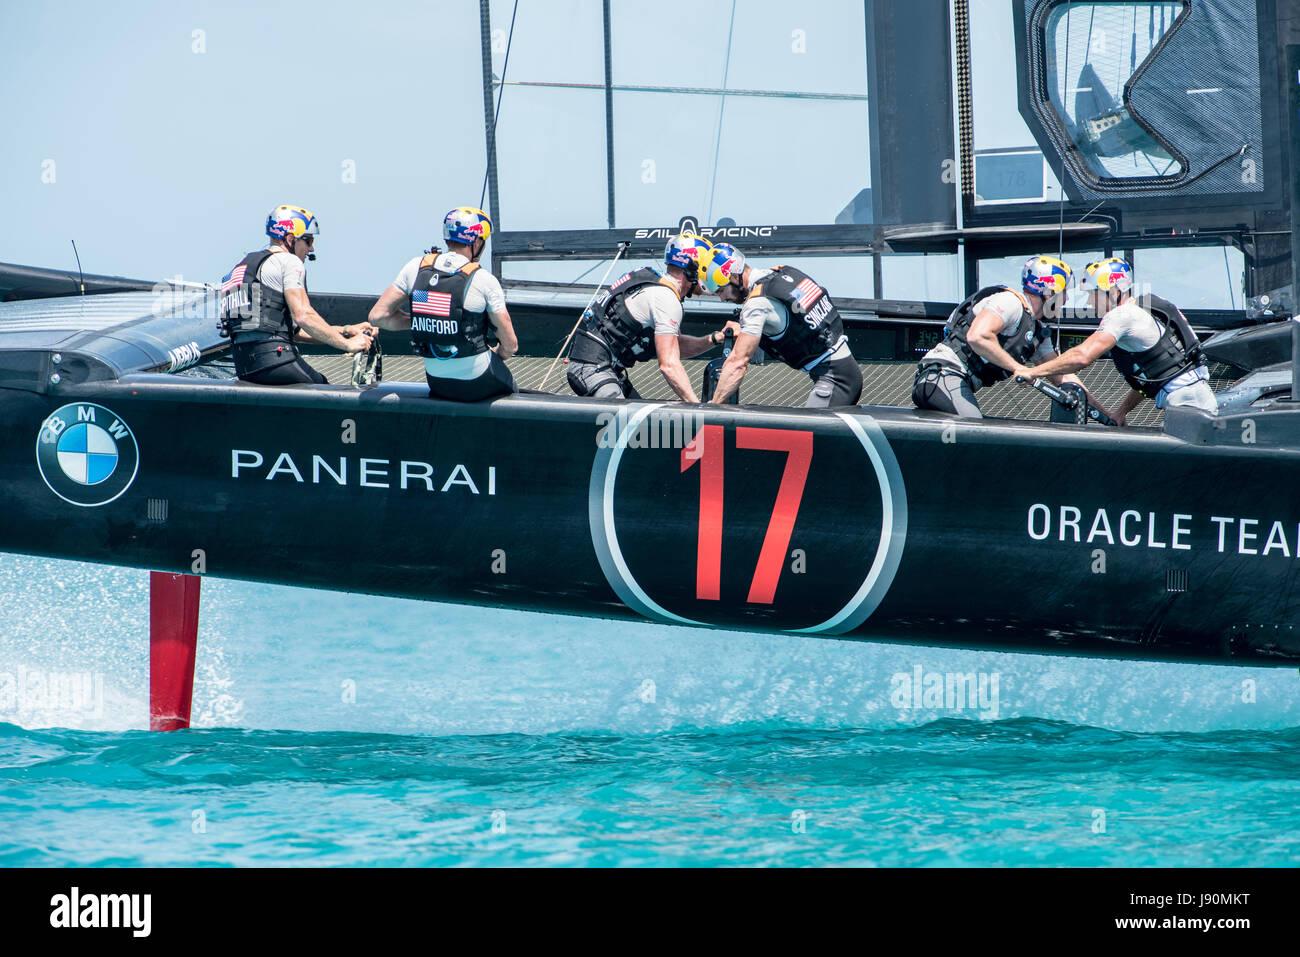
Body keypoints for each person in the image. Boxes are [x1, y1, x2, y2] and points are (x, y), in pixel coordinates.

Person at [1011, 257, 1216, 423]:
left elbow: (1081, 356)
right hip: (1194, 400)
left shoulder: (1122, 315)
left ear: (1115, 292)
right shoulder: (1142, 309)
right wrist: (1121, 412)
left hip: (1187, 404)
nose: (1090, 302)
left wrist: (1032, 372)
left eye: (1094, 294)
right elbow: (1152, 378)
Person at [368, 206, 519, 401]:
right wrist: (498, 353)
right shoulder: (483, 279)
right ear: (476, 240)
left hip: (437, 381)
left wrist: (420, 319)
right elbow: (510, 344)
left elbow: (377, 316)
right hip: (477, 380)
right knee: (513, 393)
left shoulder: (416, 267)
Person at [912, 255, 1084, 417]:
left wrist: (1106, 415)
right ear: (1048, 292)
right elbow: (978, 336)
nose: (1067, 299)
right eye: (1064, 293)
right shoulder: (1011, 302)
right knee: (974, 431)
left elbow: (1062, 375)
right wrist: (1018, 367)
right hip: (941, 376)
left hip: (953, 383)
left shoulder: (1037, 333)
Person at [566, 233, 731, 402]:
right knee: (624, 422)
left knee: (640, 423)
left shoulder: (656, 285)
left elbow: (676, 346)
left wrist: (714, 338)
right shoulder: (666, 299)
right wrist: (697, 408)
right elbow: (669, 365)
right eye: (705, 268)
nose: (708, 275)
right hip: (593, 367)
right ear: (691, 269)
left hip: (601, 367)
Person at [219, 205, 374, 384]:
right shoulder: (289, 261)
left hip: (245, 366)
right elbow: (303, 316)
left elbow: (296, 332)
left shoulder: (243, 264)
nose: (311, 249)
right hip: (275, 359)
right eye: (308, 241)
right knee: (322, 388)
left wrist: (346, 331)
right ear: (291, 239)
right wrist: (348, 345)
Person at [698, 244, 861, 407]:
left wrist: (714, 406)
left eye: (720, 291)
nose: (722, 299)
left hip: (835, 380)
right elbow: (790, 320)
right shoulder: (782, 272)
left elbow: (737, 363)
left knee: (806, 434)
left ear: (733, 276)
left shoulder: (756, 304)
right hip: (845, 370)